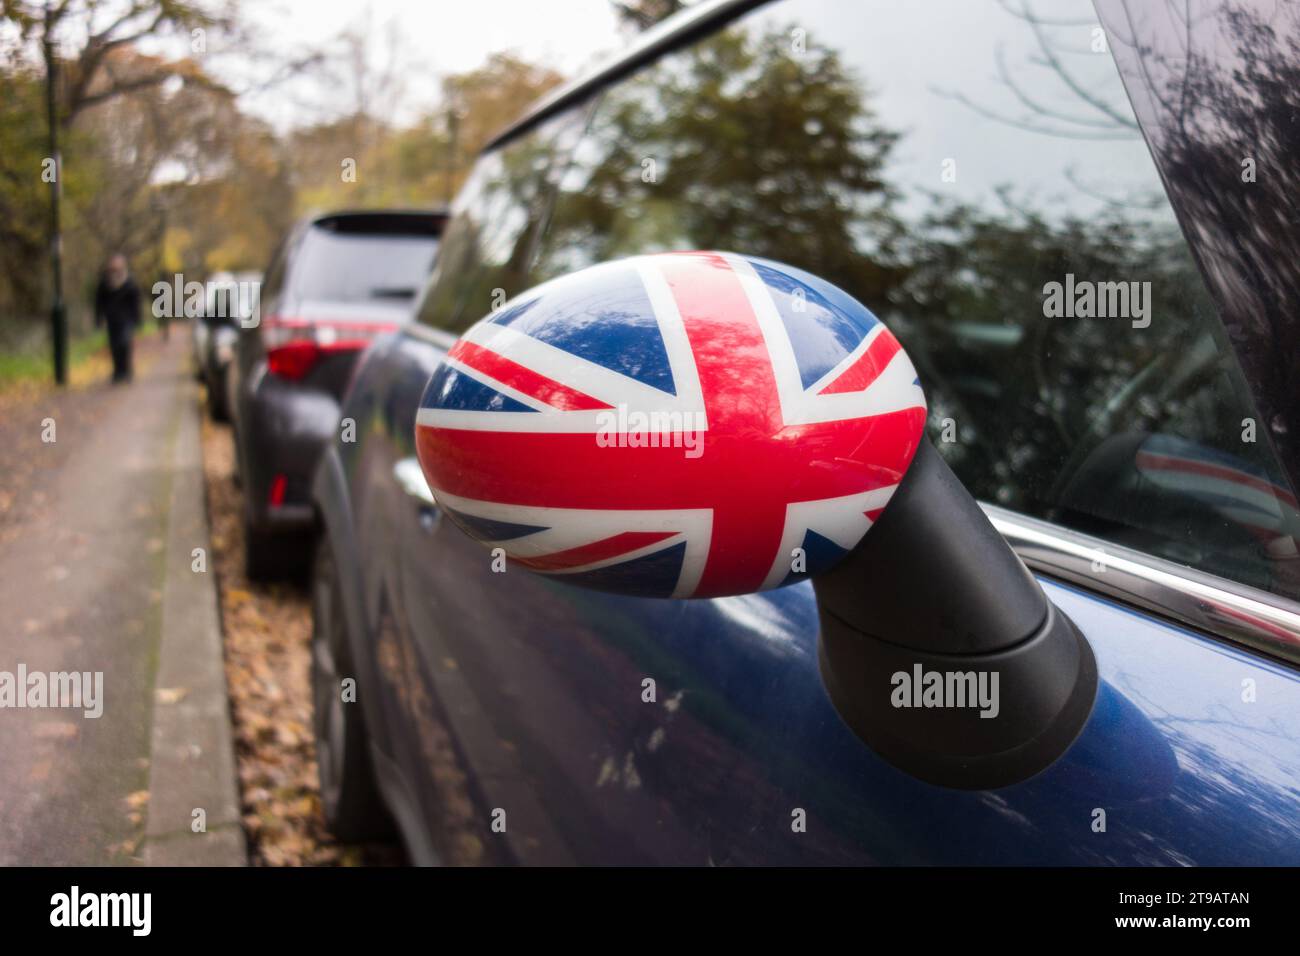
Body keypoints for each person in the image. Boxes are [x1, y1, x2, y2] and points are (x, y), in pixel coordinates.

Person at [94, 254, 141, 383]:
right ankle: (118, 372)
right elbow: (99, 302)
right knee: (114, 346)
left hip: (126, 320)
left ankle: (126, 371)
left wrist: (136, 319)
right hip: (112, 320)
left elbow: (135, 302)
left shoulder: (129, 283)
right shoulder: (105, 283)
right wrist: (99, 318)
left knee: (124, 344)